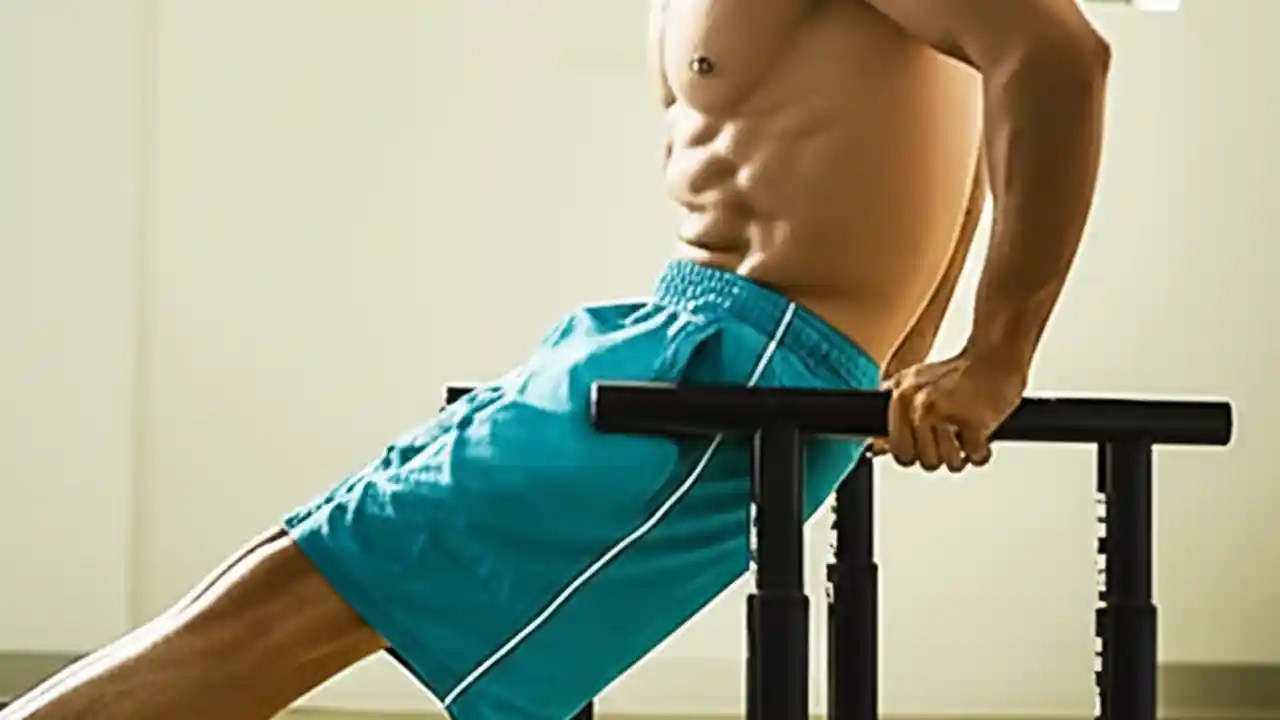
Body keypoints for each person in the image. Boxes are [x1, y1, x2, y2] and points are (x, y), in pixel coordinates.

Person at [3, 0, 1110, 718]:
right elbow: (951, 130)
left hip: (736, 366)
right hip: (668, 332)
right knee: (290, 561)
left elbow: (1053, 57)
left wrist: (993, 356)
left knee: (297, 599)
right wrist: (907, 354)